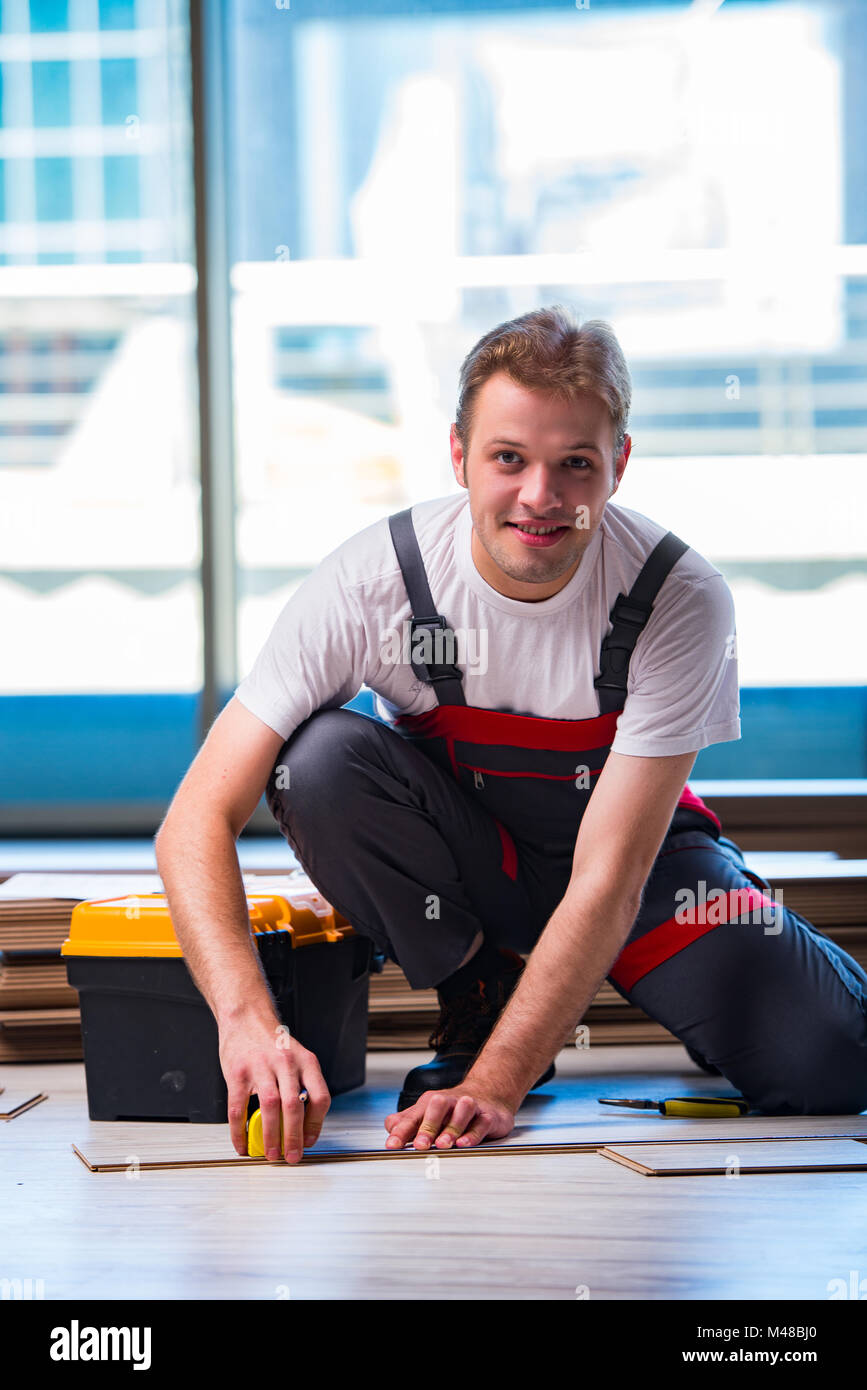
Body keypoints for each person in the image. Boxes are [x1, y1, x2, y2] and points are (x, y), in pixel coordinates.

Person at [155, 305, 867, 1166]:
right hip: (476, 864)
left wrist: (492, 1088)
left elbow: (609, 876)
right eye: (508, 459)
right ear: (457, 454)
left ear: (619, 465)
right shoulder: (374, 581)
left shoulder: (677, 596)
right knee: (318, 763)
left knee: (830, 1064)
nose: (540, 497)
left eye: (574, 464)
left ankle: (591, 1016)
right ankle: (478, 985)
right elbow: (196, 816)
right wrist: (248, 1024)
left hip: (640, 875)